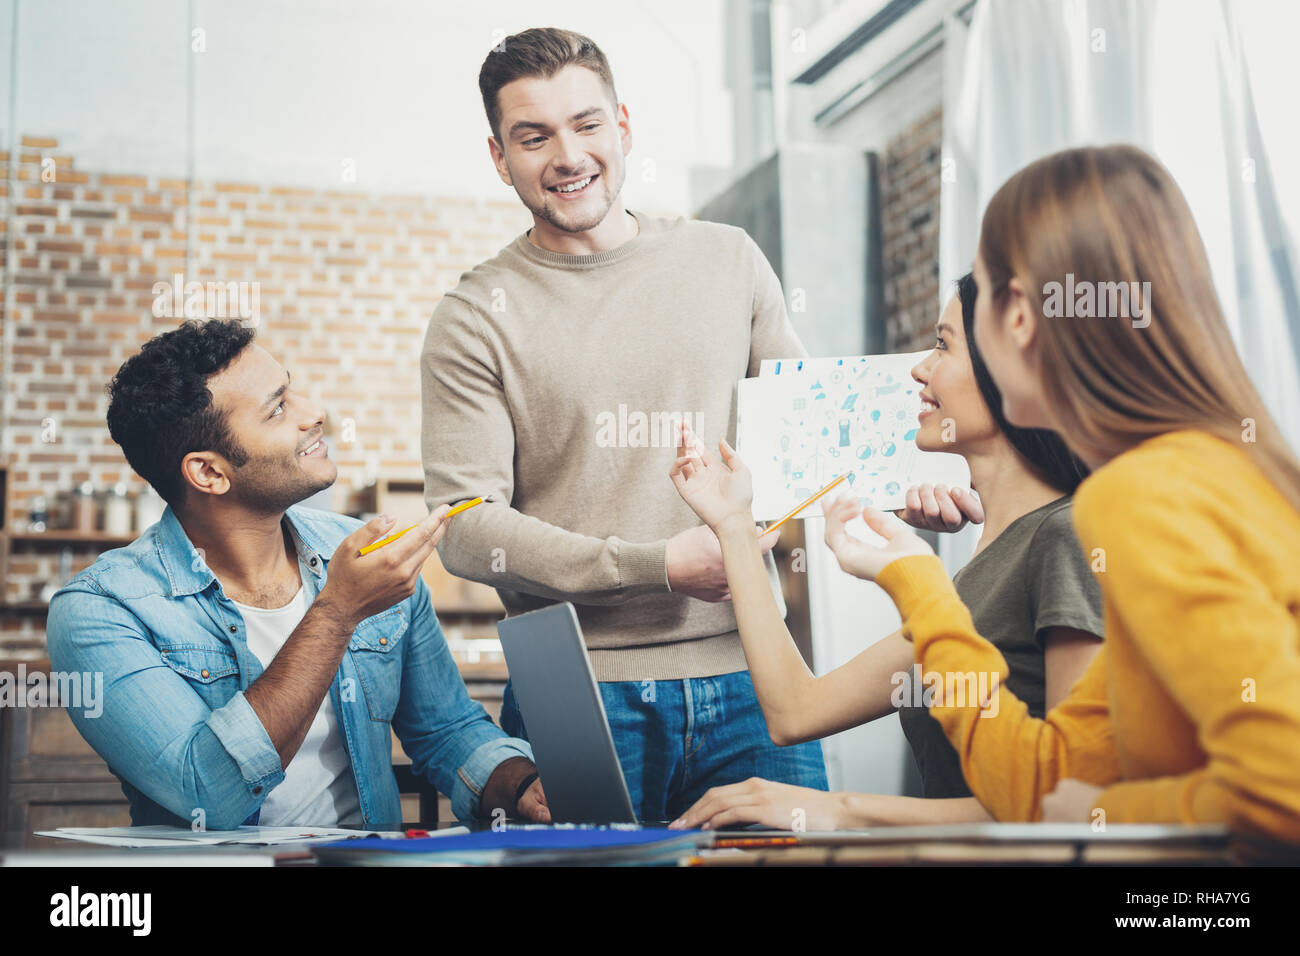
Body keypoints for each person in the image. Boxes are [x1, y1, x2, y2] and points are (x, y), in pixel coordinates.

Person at [761, 145, 1300, 838]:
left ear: (1017, 314)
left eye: (964, 317)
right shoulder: (1208, 477)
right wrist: (918, 581)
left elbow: (1281, 791)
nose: (926, 366)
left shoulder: (1144, 496)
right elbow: (1043, 789)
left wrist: (1107, 815)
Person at [420, 26, 827, 822]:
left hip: (757, 673)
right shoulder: (475, 317)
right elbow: (467, 528)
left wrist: (921, 481)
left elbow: (804, 432)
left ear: (624, 125)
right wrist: (657, 564)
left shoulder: (728, 261)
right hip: (579, 695)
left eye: (587, 124)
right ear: (501, 158)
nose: (568, 155)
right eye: (534, 137)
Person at [47, 319, 548, 830]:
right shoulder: (100, 610)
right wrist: (337, 612)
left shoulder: (363, 553)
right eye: (278, 408)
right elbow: (207, 792)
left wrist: (521, 785)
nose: (315, 413)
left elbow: (446, 731)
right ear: (209, 473)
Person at [665, 274, 1104, 830]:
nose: (919, 368)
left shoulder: (1069, 539)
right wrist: (731, 526)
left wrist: (840, 808)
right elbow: (794, 710)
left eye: (943, 345)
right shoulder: (977, 575)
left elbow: (1074, 810)